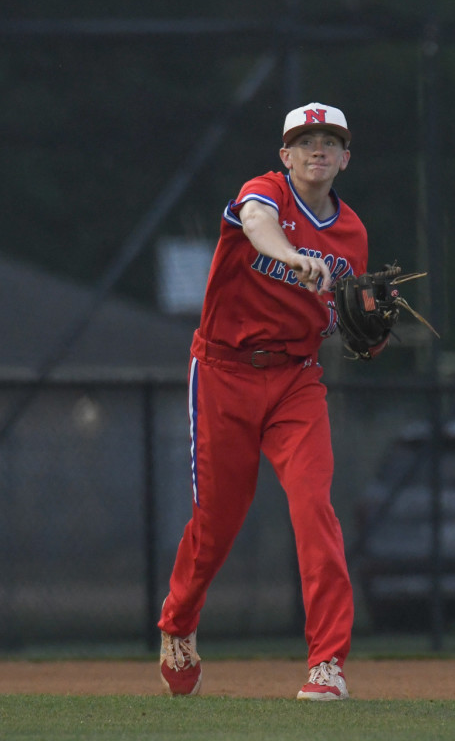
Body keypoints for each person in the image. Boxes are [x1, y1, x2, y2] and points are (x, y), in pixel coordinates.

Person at [157, 103, 375, 701]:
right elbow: (256, 225)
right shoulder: (265, 192)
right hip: (224, 370)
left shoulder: (352, 233)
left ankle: (327, 663)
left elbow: (339, 317)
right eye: (304, 141)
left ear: (345, 158)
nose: (317, 150)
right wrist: (290, 256)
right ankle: (178, 622)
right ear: (285, 155)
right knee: (217, 523)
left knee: (314, 507)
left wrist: (363, 330)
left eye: (330, 141)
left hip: (295, 380)